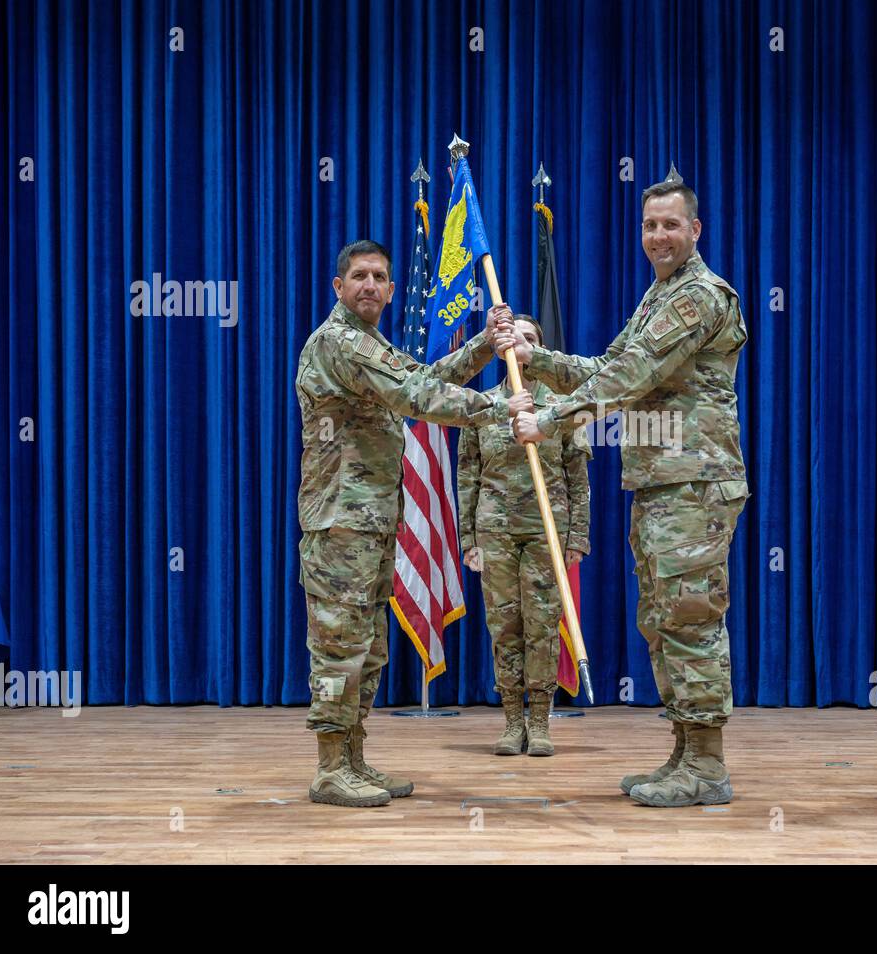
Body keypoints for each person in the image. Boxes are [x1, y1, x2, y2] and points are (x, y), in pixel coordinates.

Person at [502, 177, 748, 807]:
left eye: (670, 225)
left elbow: (634, 376)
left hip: (694, 481)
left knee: (691, 620)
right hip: (662, 481)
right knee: (663, 621)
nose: (658, 236)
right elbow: (608, 369)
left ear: (696, 230)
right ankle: (685, 752)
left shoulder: (698, 297)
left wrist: (551, 419)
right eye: (649, 226)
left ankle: (709, 765)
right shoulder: (657, 297)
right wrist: (539, 359)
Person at [296, 239, 530, 808]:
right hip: (339, 524)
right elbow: (419, 394)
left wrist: (482, 344)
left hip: (371, 521)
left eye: (379, 276)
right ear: (339, 287)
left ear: (393, 289)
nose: (370, 285)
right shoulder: (339, 342)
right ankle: (330, 765)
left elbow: (422, 376)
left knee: (368, 645)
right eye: (359, 276)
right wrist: (501, 408)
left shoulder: (370, 344)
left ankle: (352, 758)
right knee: (338, 647)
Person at [458, 314, 591, 757]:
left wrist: (577, 537)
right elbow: (467, 477)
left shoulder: (563, 408)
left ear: (539, 347)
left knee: (541, 629)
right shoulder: (482, 406)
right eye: (514, 340)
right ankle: (512, 721)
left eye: (530, 339)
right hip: (494, 530)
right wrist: (467, 539)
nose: (520, 347)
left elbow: (578, 479)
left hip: (547, 531)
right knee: (505, 628)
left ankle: (540, 721)